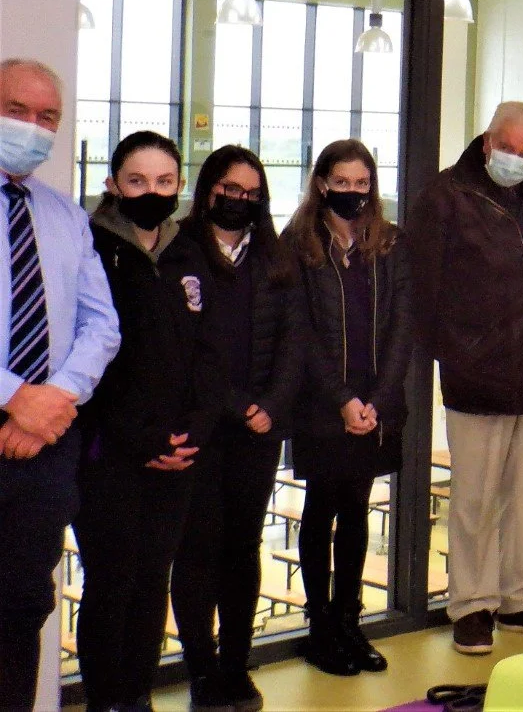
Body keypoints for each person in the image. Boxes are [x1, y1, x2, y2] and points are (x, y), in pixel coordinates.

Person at [409, 102, 523, 656]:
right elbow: (423, 291)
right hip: (473, 369)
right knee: (475, 499)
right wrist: (452, 354)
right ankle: (472, 605)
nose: (521, 161)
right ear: (488, 141)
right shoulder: (445, 196)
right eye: (512, 150)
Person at [76, 130, 226, 712]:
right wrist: (139, 439)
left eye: (164, 181)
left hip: (179, 453)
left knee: (151, 583)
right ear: (114, 184)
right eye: (137, 181)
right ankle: (104, 701)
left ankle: (136, 697)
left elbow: (211, 355)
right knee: (111, 585)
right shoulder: (91, 249)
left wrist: (192, 431)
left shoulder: (190, 251)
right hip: (111, 454)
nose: (151, 191)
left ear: (181, 185)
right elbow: (91, 356)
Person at [0, 58, 119, 712]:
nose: (34, 127)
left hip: (48, 441)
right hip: (24, 412)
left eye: (48, 117)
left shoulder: (65, 214)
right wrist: (15, 395)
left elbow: (102, 326)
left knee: (23, 606)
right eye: (18, 110)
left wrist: (52, 397)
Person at [171, 146, 302, 712]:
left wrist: (271, 405)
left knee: (243, 548)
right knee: (197, 549)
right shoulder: (180, 249)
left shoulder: (276, 257)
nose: (240, 200)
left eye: (251, 193)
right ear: (207, 189)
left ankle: (236, 665)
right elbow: (184, 349)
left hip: (259, 432)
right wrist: (237, 405)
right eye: (230, 189)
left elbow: (296, 339)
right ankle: (201, 670)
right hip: (202, 425)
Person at [279, 139, 413, 677]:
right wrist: (342, 400)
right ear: (321, 183)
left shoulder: (390, 243)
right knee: (320, 510)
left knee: (357, 509)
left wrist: (376, 401)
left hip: (377, 403)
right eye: (343, 182)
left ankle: (350, 621)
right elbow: (300, 334)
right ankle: (320, 629)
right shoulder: (297, 245)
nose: (353, 192)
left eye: (363, 183)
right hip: (321, 404)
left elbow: (403, 328)